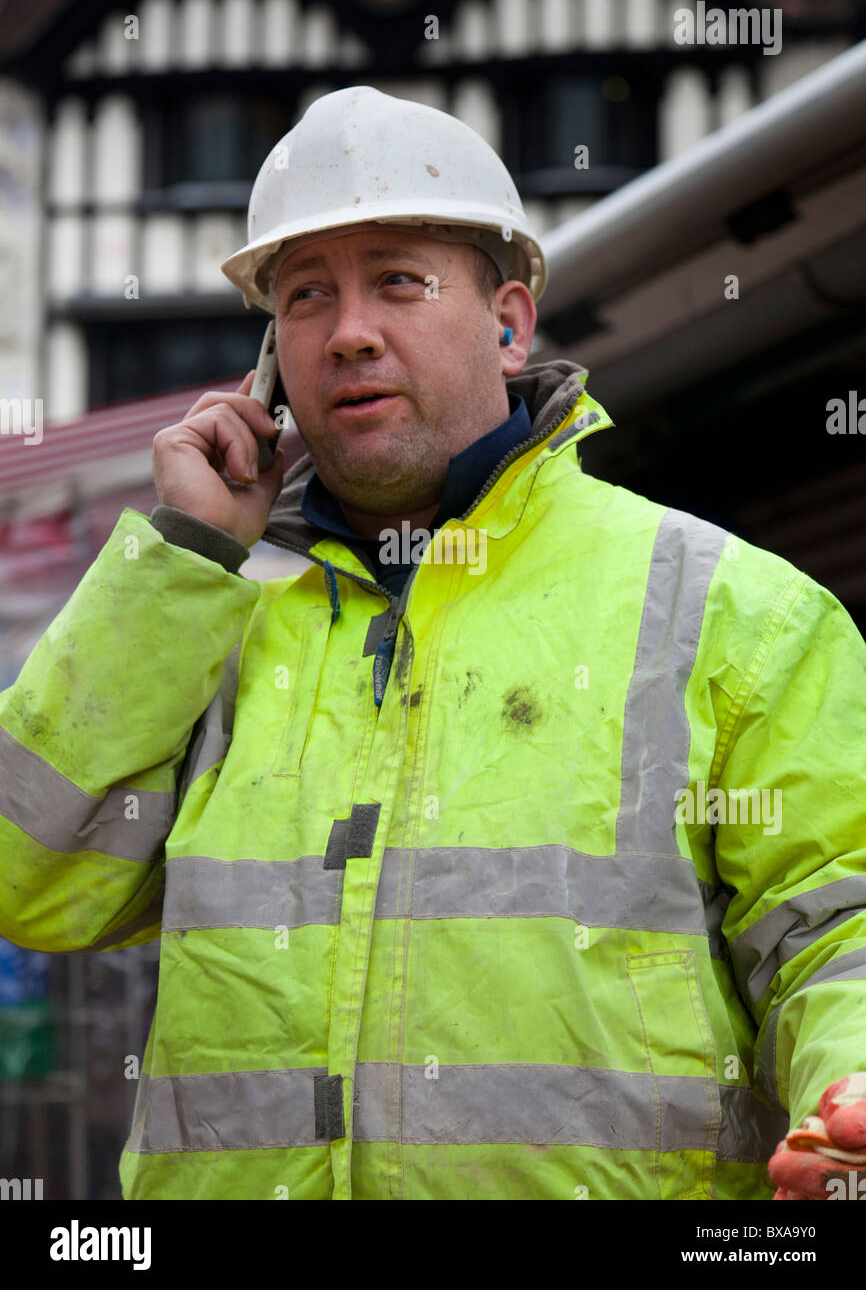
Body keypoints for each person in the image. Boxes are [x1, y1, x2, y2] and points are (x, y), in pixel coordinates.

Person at [2, 86, 865, 1202]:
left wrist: (849, 1088)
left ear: (508, 324)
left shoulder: (733, 610)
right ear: (269, 363)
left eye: (398, 281)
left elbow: (836, 917)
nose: (349, 329)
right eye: (306, 296)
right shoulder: (201, 618)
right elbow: (33, 881)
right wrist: (174, 561)